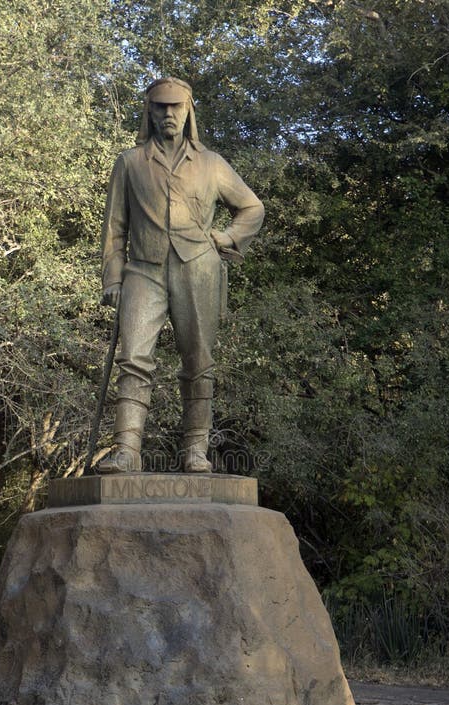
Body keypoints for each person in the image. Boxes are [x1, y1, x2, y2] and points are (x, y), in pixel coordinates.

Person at [98, 77, 264, 474]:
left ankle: (195, 451)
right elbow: (114, 229)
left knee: (199, 362)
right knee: (134, 358)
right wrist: (112, 278)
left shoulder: (211, 163)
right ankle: (126, 450)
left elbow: (252, 208)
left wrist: (226, 237)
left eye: (175, 106)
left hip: (199, 268)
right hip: (143, 270)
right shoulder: (130, 162)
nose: (168, 113)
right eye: (160, 107)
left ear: (189, 109)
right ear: (149, 112)